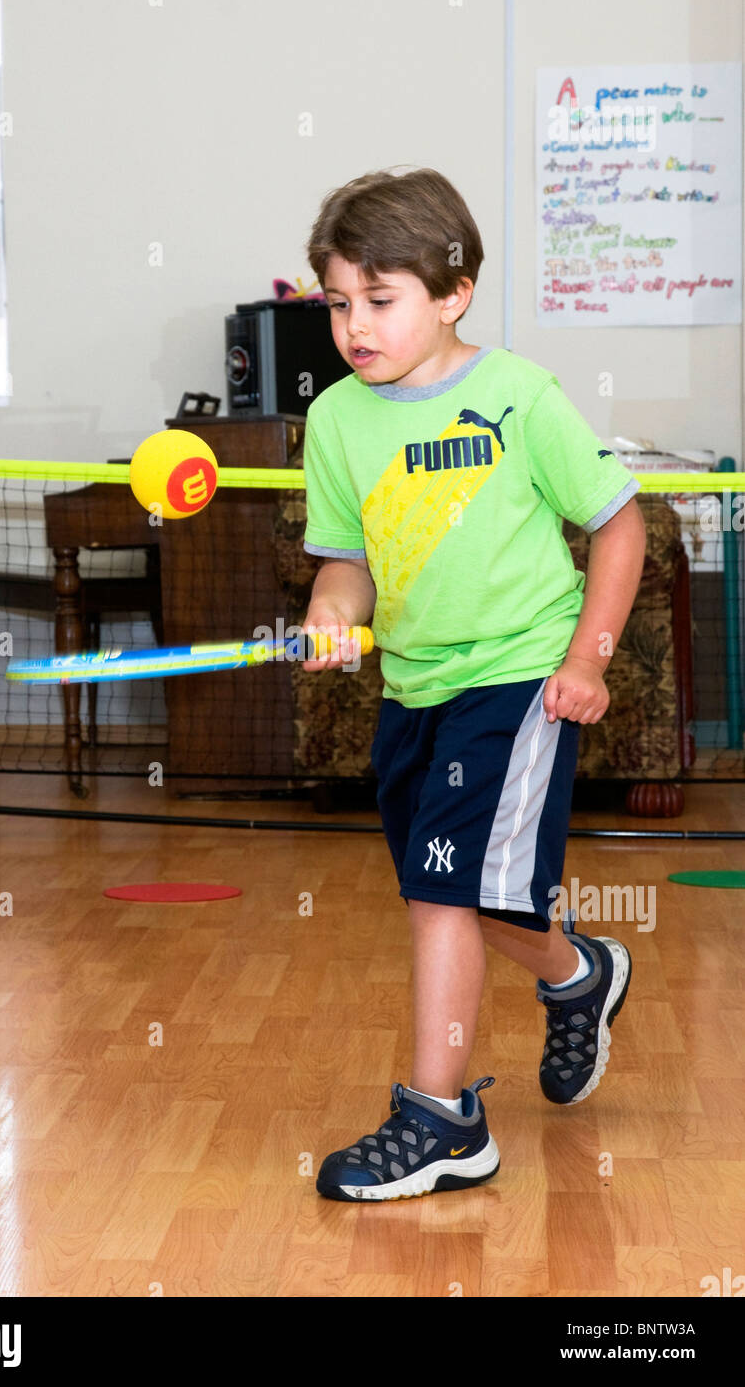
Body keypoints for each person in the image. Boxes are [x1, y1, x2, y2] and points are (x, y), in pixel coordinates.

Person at [299, 166, 646, 1202]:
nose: (353, 325)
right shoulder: (334, 423)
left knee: (439, 895)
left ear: (450, 294)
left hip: (519, 682)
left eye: (378, 298)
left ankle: (442, 1118)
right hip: (413, 691)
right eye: (336, 303)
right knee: (471, 898)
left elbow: (616, 521)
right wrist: (330, 614)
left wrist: (586, 658)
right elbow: (347, 560)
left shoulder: (517, 396)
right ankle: (577, 974)